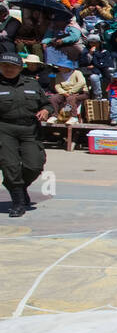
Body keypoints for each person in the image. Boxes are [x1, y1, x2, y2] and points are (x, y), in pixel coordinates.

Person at [0, 49, 52, 218]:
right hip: (4, 129)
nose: (9, 69)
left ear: (20, 68)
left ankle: (20, 188)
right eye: (5, 66)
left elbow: (47, 104)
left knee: (34, 164)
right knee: (10, 165)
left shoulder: (32, 84)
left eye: (12, 66)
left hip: (30, 130)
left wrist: (45, 110)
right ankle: (18, 202)